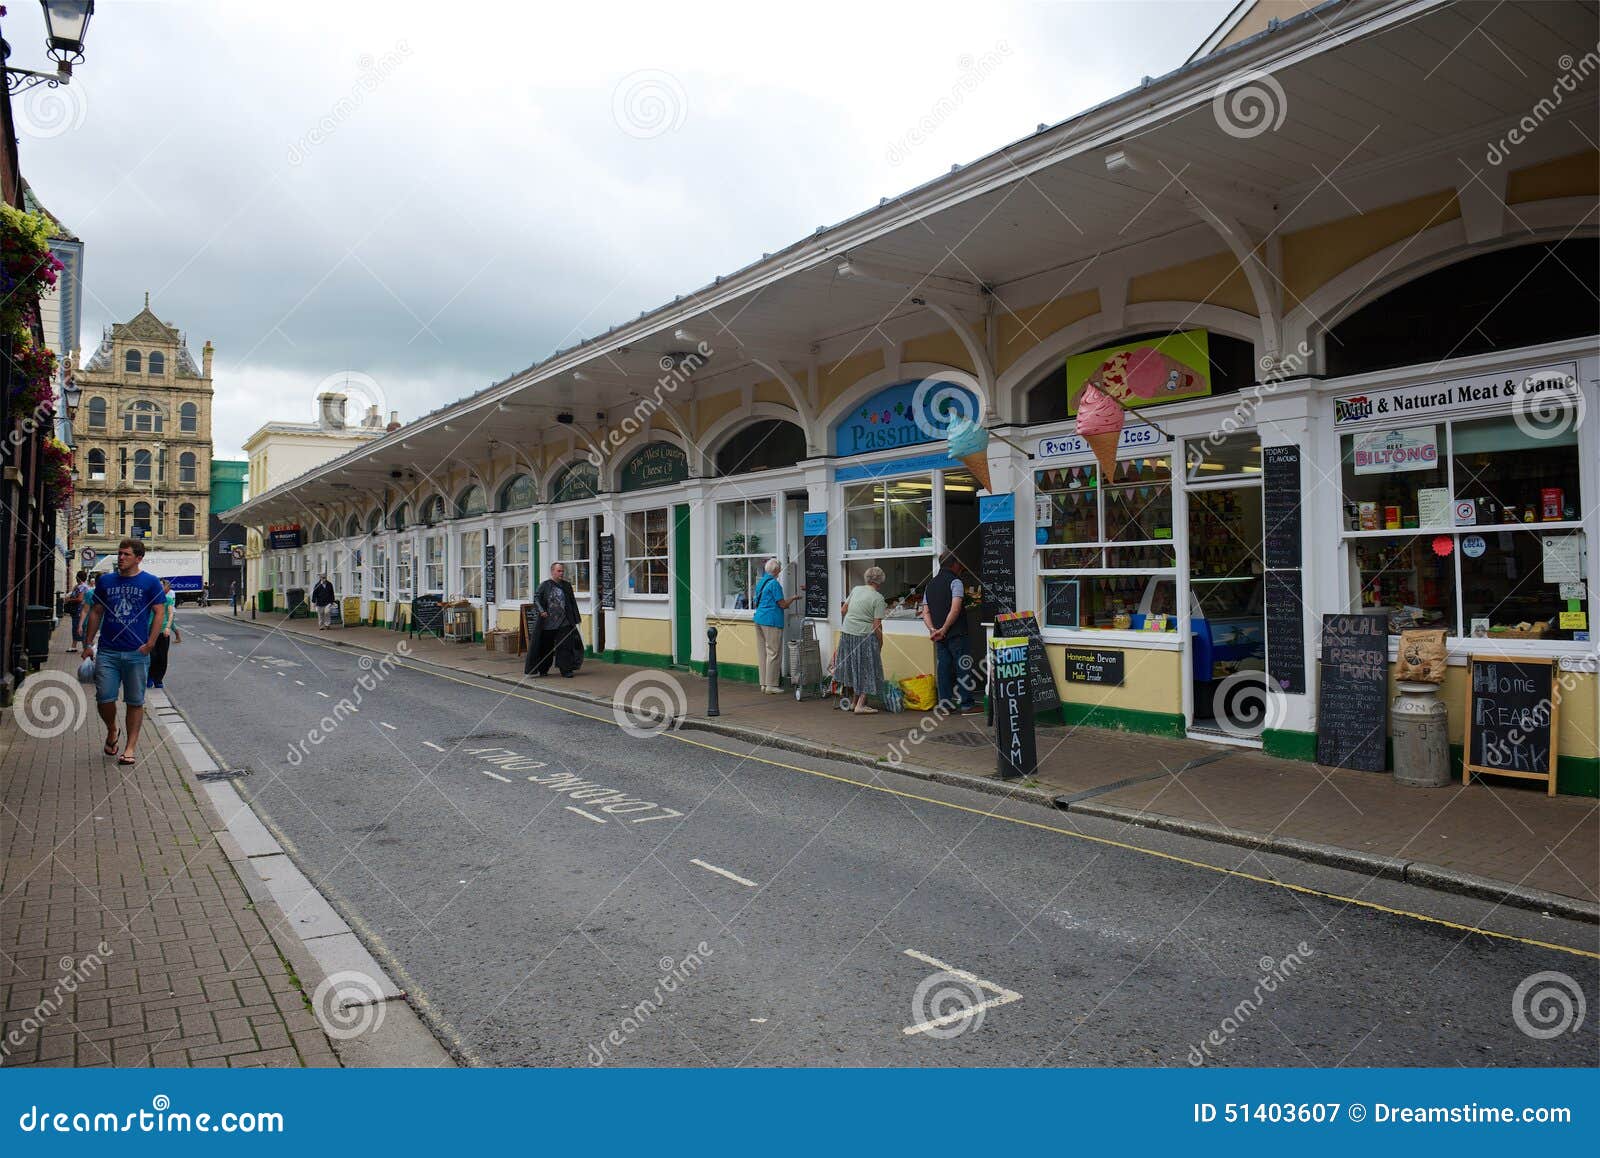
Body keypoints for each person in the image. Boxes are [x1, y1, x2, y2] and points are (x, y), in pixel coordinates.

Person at [80, 539, 165, 766]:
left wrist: (150, 643)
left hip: (136, 653)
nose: (121, 558)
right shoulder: (106, 581)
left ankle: (129, 748)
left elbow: (159, 612)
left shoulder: (150, 582)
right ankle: (112, 729)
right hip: (107, 651)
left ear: (138, 558)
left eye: (126, 554)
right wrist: (88, 643)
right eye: (119, 554)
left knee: (135, 701)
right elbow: (96, 612)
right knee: (104, 698)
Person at [921, 551, 979, 713]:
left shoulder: (930, 584)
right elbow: (955, 608)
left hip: (939, 636)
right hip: (956, 633)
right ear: (955, 564)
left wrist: (933, 630)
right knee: (963, 666)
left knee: (944, 668)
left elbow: (925, 612)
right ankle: (967, 703)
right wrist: (945, 628)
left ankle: (944, 704)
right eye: (959, 564)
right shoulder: (956, 582)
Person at [834, 566, 887, 715]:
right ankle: (861, 705)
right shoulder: (878, 598)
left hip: (847, 633)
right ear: (880, 581)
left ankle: (853, 702)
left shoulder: (856, 589)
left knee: (855, 667)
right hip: (864, 636)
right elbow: (877, 625)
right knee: (868, 669)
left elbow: (843, 610)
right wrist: (881, 642)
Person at [751, 558, 804, 694]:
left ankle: (763, 684)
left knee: (763, 653)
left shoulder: (761, 582)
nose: (780, 570)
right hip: (771, 620)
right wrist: (793, 598)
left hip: (759, 619)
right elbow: (783, 604)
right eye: (779, 568)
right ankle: (771, 685)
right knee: (774, 653)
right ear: (776, 570)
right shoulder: (774, 584)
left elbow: (756, 599)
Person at [525, 562, 583, 678]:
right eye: (559, 571)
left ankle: (566, 670)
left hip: (565, 621)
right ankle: (543, 669)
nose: (561, 573)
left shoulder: (567, 586)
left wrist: (576, 618)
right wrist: (541, 611)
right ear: (552, 572)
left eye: (562, 571)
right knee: (546, 647)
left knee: (565, 646)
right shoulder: (544, 585)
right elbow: (536, 599)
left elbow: (572, 603)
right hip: (548, 623)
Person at [148, 578, 181, 689]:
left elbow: (171, 614)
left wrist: (167, 627)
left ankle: (158, 679)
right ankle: (150, 677)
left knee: (162, 657)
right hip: (149, 631)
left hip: (163, 632)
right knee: (151, 656)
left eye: (162, 585)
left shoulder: (167, 599)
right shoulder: (149, 599)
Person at [65, 569, 90, 651]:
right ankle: (75, 646)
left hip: (79, 610)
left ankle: (85, 647)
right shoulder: (84, 586)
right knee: (77, 627)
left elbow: (80, 599)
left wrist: (69, 600)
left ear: (77, 578)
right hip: (80, 610)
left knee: (78, 627)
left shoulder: (81, 587)